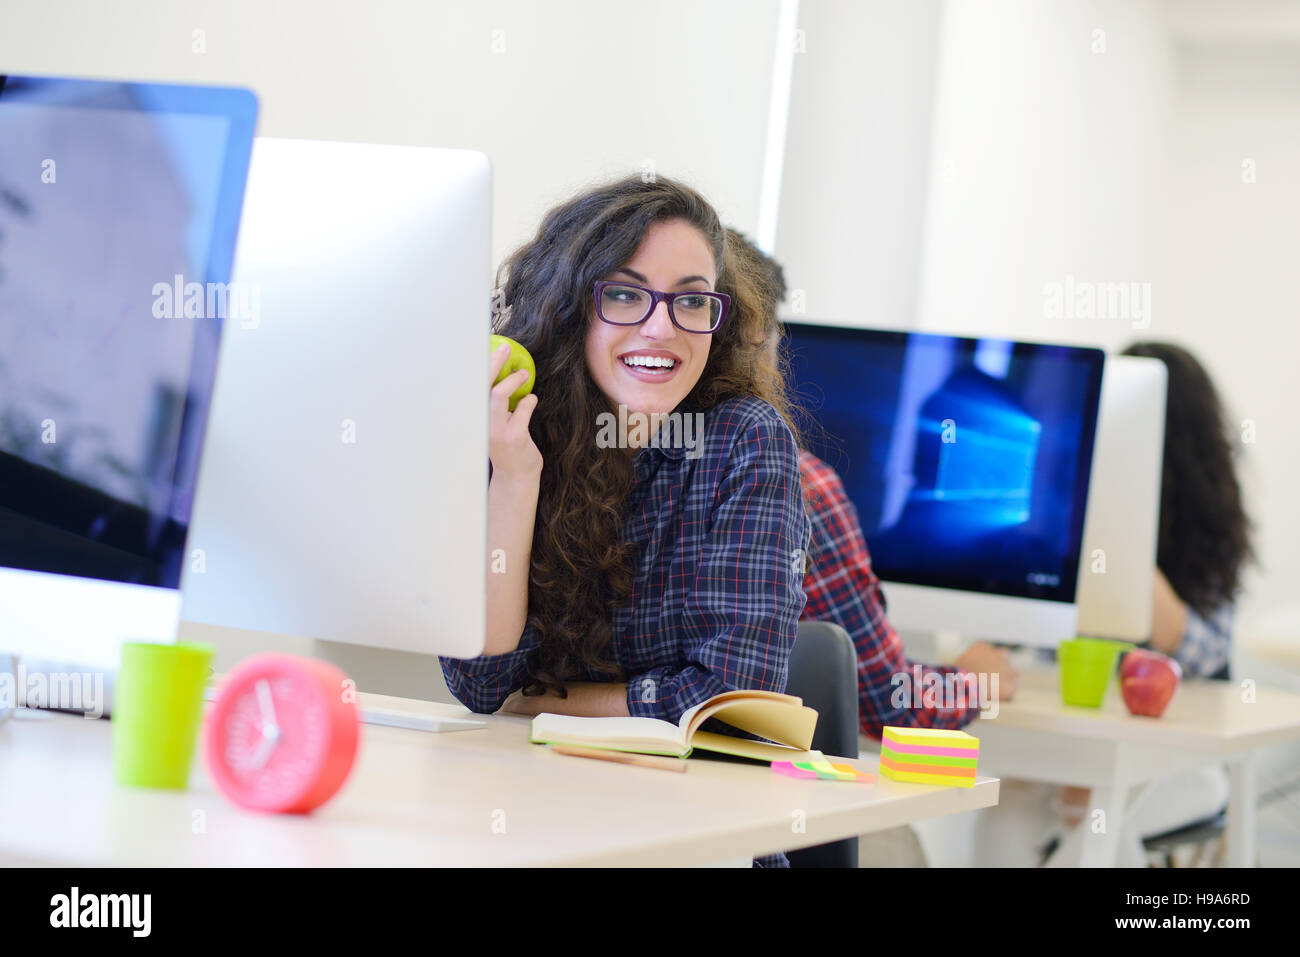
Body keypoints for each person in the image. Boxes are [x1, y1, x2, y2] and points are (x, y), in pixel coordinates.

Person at [439, 178, 811, 867]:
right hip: (532, 823)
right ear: (570, 306)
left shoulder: (743, 441)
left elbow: (733, 709)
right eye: (624, 293)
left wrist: (545, 702)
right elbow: (482, 683)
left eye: (691, 300)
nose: (662, 328)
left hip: (695, 843)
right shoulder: (516, 429)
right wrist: (517, 476)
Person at [722, 229, 1018, 739]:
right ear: (763, 341)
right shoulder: (797, 483)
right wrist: (975, 681)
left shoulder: (594, 453)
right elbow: (890, 704)